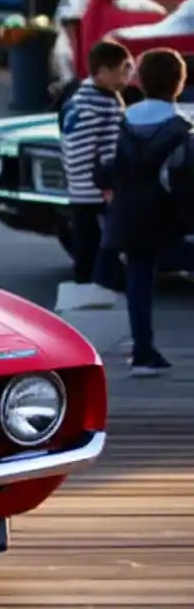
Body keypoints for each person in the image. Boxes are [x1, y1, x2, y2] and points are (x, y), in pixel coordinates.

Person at [99, 49, 194, 377]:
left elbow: (109, 167)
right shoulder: (181, 127)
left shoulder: (125, 120)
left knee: (139, 280)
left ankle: (143, 352)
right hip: (170, 216)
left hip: (129, 213)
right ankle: (147, 353)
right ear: (179, 83)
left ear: (140, 81)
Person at [55, 40, 132, 312]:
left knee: (87, 245)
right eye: (122, 69)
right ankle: (101, 292)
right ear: (102, 71)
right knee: (99, 245)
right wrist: (108, 184)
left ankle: (88, 293)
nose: (126, 76)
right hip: (96, 191)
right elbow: (97, 151)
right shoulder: (100, 104)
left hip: (81, 189)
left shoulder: (82, 98)